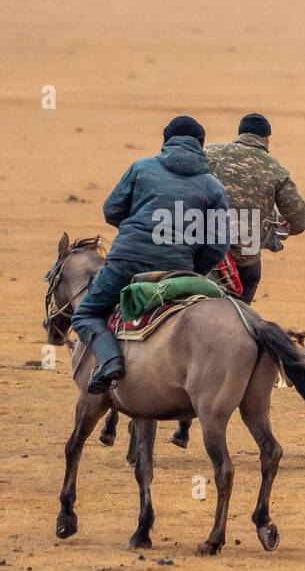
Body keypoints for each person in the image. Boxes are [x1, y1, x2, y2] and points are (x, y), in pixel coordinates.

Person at [71, 116, 231, 393]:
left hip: (126, 262)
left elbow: (112, 211)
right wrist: (192, 267)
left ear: (166, 140)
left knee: (86, 313)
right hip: (177, 268)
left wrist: (136, 232)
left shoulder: (141, 168)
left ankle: (109, 361)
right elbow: (218, 243)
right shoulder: (213, 186)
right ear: (202, 146)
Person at [204, 113, 305, 303]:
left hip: (203, 246)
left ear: (239, 134)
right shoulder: (275, 170)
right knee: (250, 278)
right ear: (267, 139)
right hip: (243, 255)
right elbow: (300, 220)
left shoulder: (210, 153)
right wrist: (284, 228)